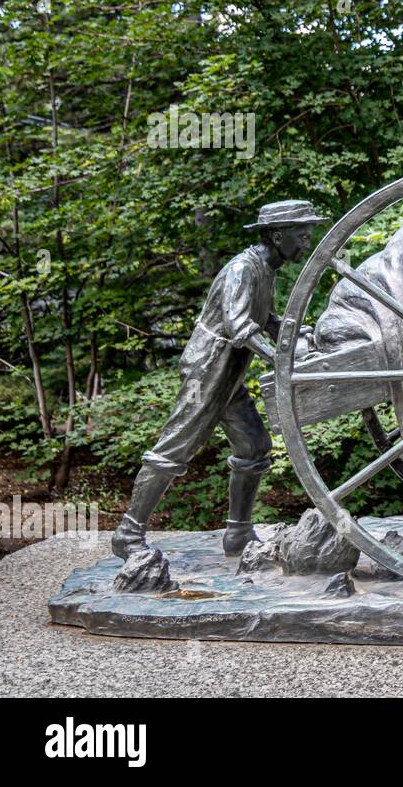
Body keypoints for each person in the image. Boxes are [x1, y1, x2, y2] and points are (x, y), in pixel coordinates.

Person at [111, 200, 329, 559]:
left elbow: (263, 318)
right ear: (277, 236)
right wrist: (279, 360)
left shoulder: (265, 269)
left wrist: (297, 334)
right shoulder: (242, 268)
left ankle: (238, 535)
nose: (307, 242)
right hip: (206, 371)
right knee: (174, 447)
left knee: (254, 446)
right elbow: (240, 327)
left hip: (228, 374)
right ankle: (127, 533)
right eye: (301, 235)